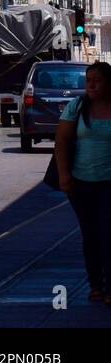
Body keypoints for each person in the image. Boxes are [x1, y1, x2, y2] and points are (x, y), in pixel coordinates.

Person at [54, 60, 111, 304]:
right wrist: (64, 175)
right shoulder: (77, 107)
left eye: (97, 80)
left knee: (108, 232)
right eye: (88, 80)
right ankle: (95, 284)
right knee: (90, 233)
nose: (91, 85)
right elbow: (62, 142)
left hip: (109, 182)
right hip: (81, 182)